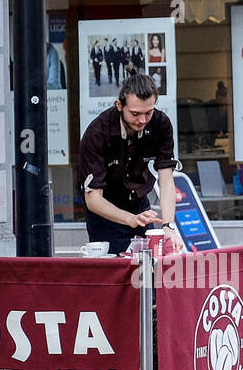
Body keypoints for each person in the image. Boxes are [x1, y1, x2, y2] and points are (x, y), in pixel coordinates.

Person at [76, 73, 179, 254]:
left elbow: (167, 179)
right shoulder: (97, 133)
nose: (142, 120)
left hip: (140, 206)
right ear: (119, 105)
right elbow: (93, 200)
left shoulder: (161, 124)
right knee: (115, 274)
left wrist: (168, 225)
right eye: (135, 114)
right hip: (105, 212)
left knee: (151, 269)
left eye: (148, 112)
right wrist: (129, 219)